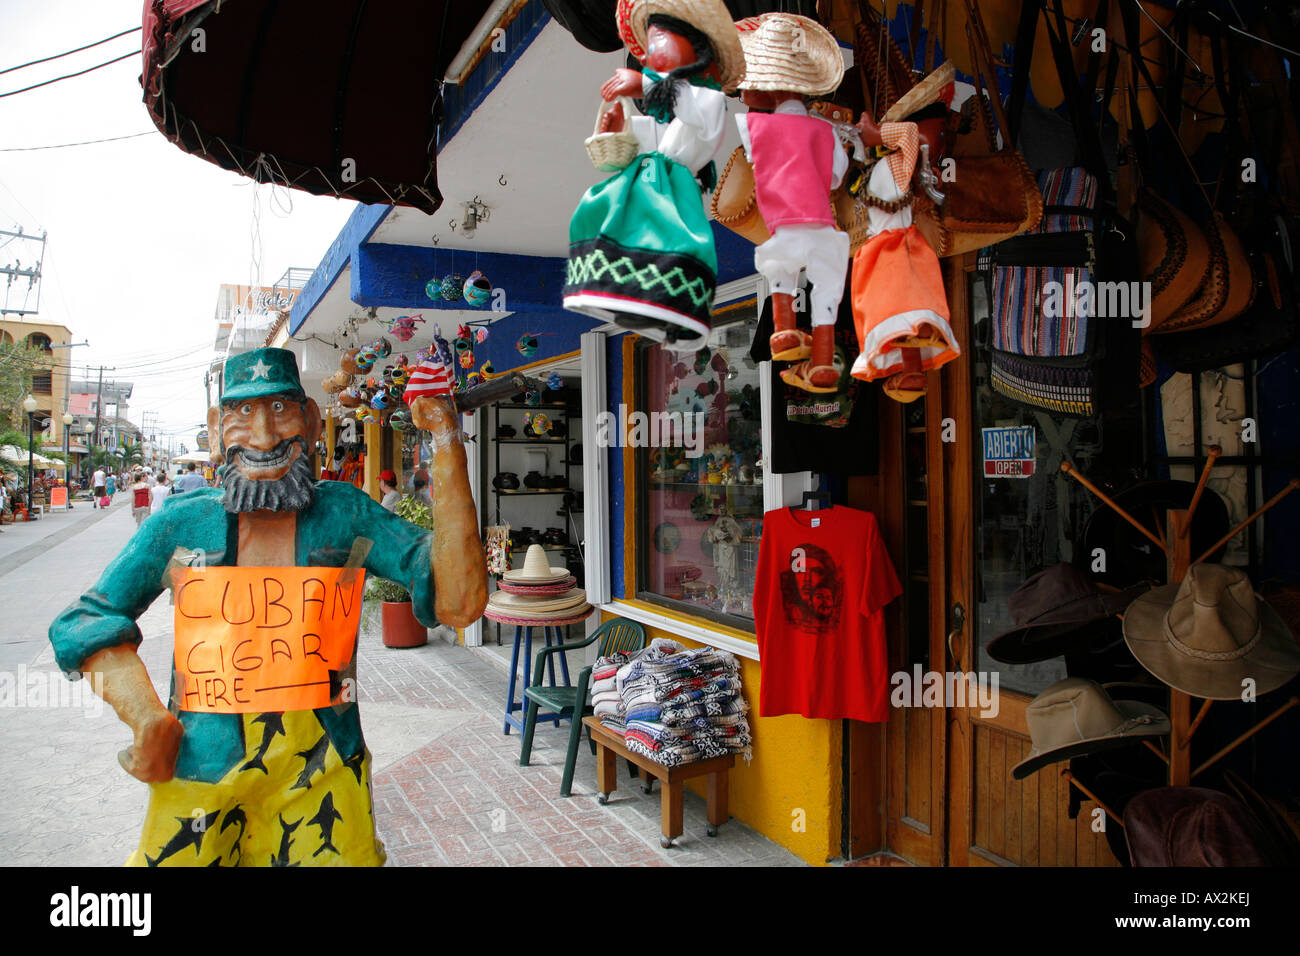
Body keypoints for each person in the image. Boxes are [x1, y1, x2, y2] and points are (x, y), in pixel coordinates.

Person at [48, 347, 486, 867]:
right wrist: (146, 718)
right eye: (241, 413)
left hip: (324, 768)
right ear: (216, 428)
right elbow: (86, 621)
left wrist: (447, 442)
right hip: (201, 769)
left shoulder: (347, 517)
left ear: (312, 421)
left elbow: (459, 603)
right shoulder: (180, 525)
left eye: (280, 409)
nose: (262, 436)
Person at [562, 0, 745, 352]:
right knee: (600, 213)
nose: (646, 58)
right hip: (647, 180)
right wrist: (619, 130)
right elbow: (648, 138)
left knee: (670, 241)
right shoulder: (672, 109)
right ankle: (623, 293)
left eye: (657, 41)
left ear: (696, 51)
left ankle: (671, 306)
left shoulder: (706, 99)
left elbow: (693, 109)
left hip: (671, 189)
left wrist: (643, 85)